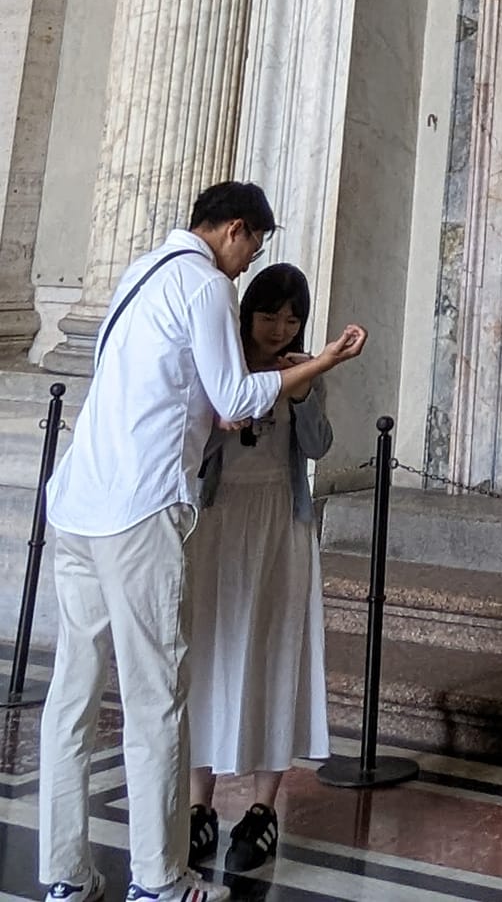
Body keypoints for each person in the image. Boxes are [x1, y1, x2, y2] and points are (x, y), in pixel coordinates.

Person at [38, 183, 366, 902]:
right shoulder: (207, 284)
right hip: (139, 507)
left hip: (78, 503)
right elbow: (238, 396)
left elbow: (161, 385)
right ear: (237, 232)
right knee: (157, 699)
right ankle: (159, 879)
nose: (248, 267)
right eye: (254, 249)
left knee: (72, 699)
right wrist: (326, 362)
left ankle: (64, 874)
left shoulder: (140, 272)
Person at [186, 266, 333, 876]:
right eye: (269, 316)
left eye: (291, 319)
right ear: (246, 316)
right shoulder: (222, 364)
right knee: (207, 652)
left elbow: (321, 446)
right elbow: (197, 441)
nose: (279, 329)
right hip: (220, 521)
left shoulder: (300, 371)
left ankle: (262, 807)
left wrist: (299, 394)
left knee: (276, 651)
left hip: (280, 521)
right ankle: (197, 805)